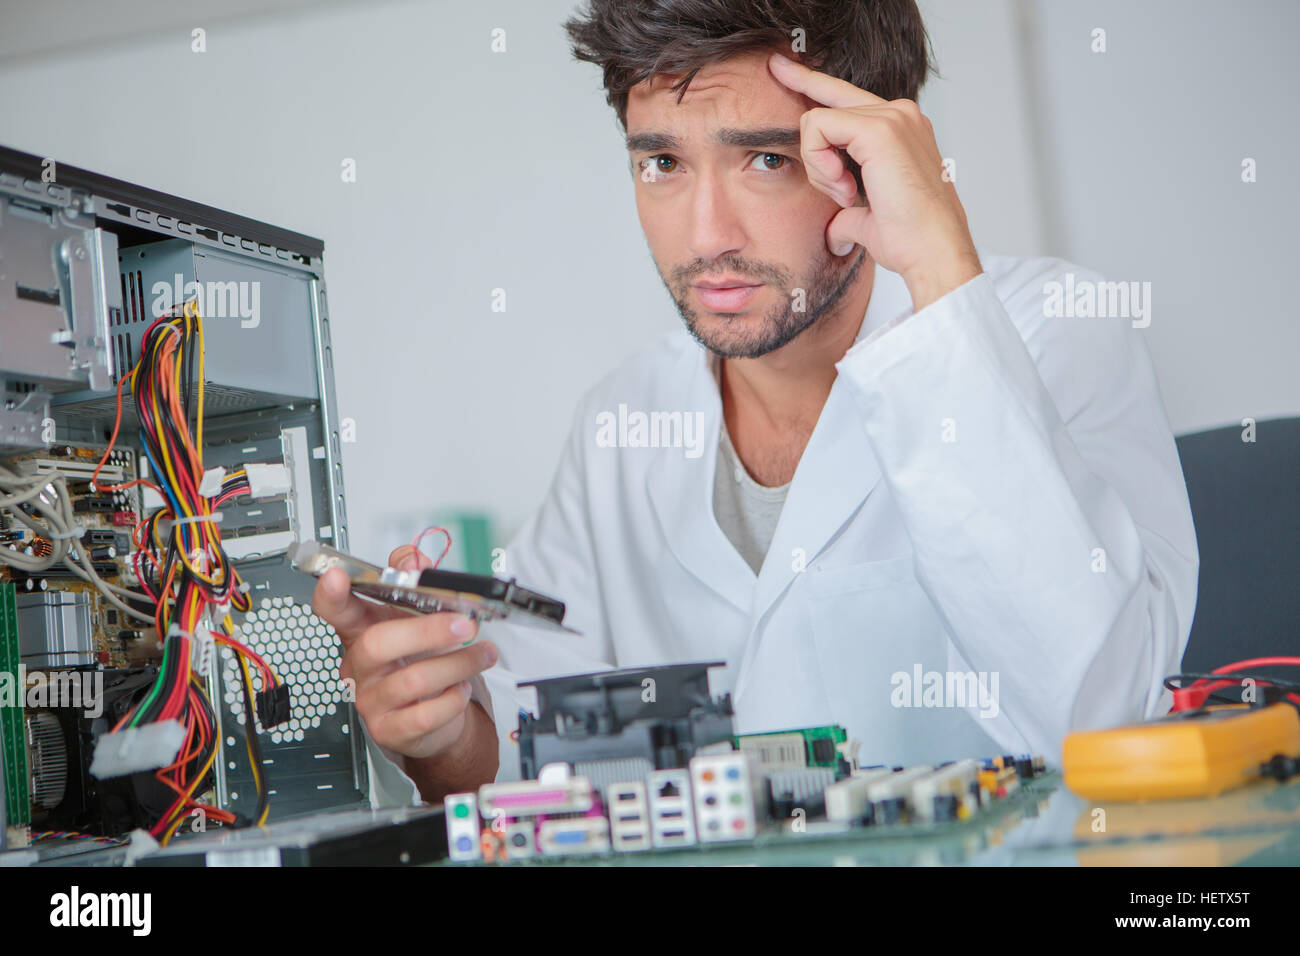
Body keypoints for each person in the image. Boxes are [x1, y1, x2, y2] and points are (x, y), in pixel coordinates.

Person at [313, 0, 1199, 804]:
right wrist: (438, 727)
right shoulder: (623, 420)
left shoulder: (1054, 334)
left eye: (767, 159)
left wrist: (937, 272)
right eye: (662, 162)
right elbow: (521, 746)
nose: (707, 238)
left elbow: (1104, 723)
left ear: (874, 149)